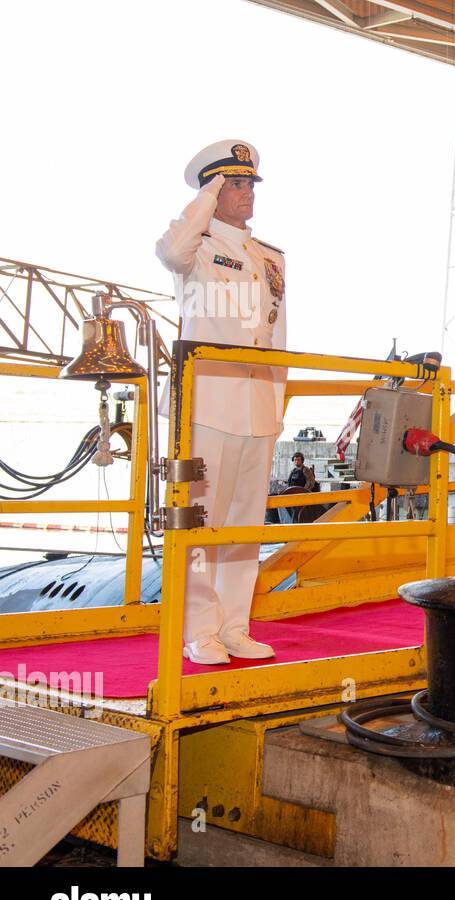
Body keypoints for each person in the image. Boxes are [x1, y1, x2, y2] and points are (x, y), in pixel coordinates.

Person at [156, 140, 286, 665]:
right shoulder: (197, 248)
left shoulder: (271, 258)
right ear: (212, 190)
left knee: (244, 526)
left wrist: (278, 400)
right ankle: (200, 630)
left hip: (257, 405)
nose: (247, 192)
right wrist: (203, 202)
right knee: (202, 524)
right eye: (234, 183)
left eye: (249, 183)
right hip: (209, 404)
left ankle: (235, 624)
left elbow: (276, 338)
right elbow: (170, 251)